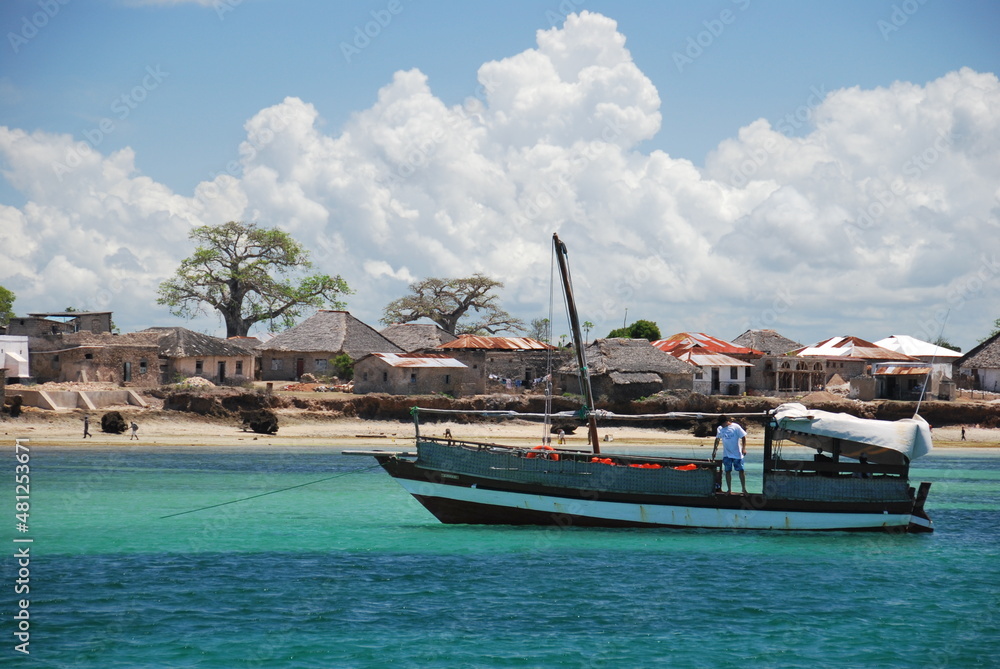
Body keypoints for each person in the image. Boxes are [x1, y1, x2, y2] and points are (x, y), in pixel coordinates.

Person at [711, 415, 748, 495]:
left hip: (737, 454)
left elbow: (743, 437)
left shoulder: (735, 427)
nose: (721, 425)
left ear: (726, 422)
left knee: (741, 470)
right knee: (728, 471)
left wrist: (744, 448)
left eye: (722, 423)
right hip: (726, 454)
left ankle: (744, 489)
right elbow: (717, 439)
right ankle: (729, 490)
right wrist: (714, 451)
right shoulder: (720, 428)